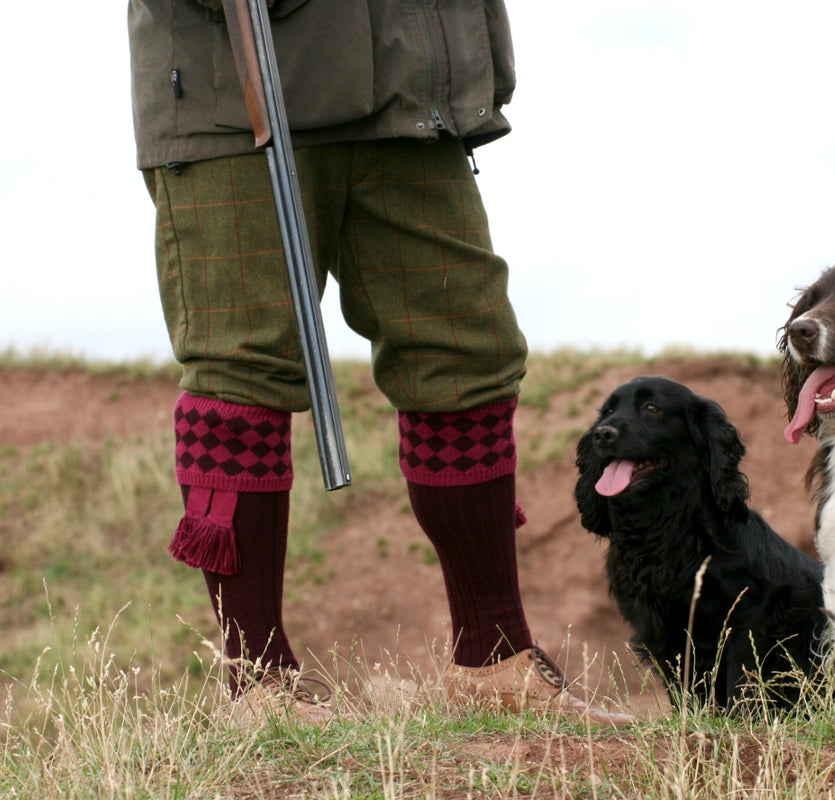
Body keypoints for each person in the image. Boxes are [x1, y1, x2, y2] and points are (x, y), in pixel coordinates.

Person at [127, 0, 634, 726]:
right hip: (231, 98)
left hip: (413, 92)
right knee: (244, 370)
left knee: (467, 353)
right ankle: (259, 683)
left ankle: (494, 661)